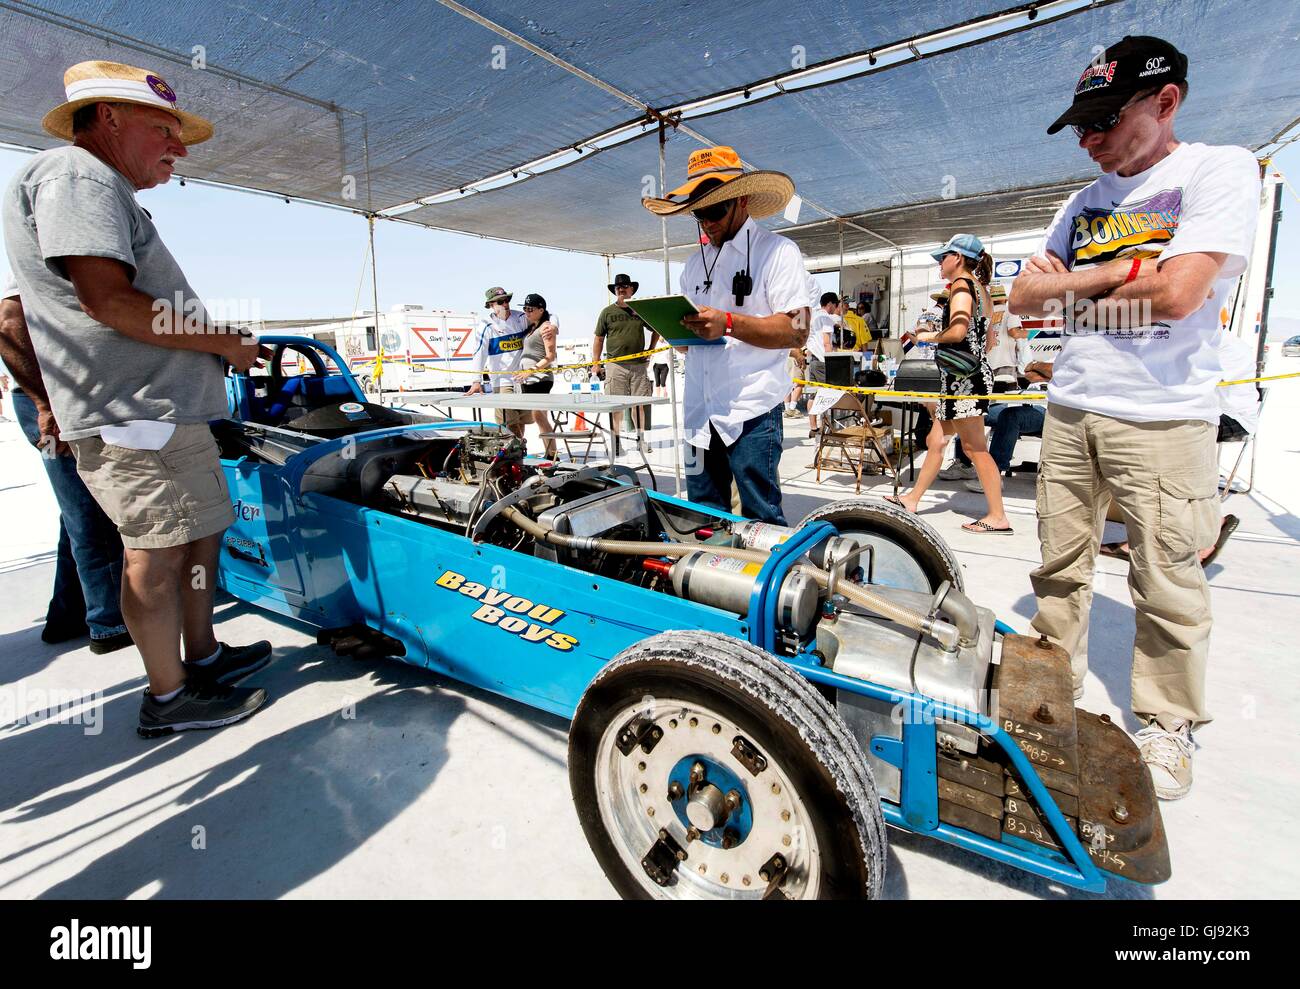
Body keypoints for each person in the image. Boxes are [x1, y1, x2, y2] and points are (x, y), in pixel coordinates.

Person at [1008, 36, 1262, 799]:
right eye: (1079, 127)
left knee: (1167, 579)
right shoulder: (1082, 201)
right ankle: (1049, 701)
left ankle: (1167, 723)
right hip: (1072, 407)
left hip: (1165, 415)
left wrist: (1073, 285)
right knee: (1059, 567)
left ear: (1165, 102)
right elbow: (1021, 302)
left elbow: (1181, 293)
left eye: (1103, 123)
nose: (1088, 141)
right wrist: (1124, 271)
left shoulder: (1216, 169)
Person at [2, 60, 273, 735]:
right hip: (134, 415)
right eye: (164, 130)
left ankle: (203, 655)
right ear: (109, 118)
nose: (178, 148)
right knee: (156, 549)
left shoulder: (99, 185)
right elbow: (108, 299)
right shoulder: (76, 175)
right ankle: (169, 696)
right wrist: (223, 341)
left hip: (165, 413)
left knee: (198, 532)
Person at [642, 145, 813, 524]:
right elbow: (693, 346)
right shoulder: (693, 264)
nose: (707, 221)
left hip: (751, 411)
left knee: (761, 522)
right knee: (701, 520)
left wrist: (729, 323)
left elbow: (798, 330)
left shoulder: (778, 252)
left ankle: (766, 584)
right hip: (699, 414)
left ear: (743, 201)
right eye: (699, 213)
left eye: (715, 210)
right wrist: (678, 329)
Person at [0, 279, 132, 651]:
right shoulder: (45, 242)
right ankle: (109, 623)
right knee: (91, 510)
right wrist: (45, 405)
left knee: (75, 510)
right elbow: (9, 323)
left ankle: (69, 612)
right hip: (52, 405)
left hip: (61, 401)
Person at [888, 234, 1011, 535]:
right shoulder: (981, 288)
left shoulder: (961, 286)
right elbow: (990, 339)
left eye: (943, 257)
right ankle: (912, 498)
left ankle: (997, 515)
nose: (940, 263)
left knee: (974, 447)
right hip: (965, 376)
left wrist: (928, 337)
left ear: (958, 257)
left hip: (964, 380)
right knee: (936, 440)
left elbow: (957, 331)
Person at [592, 273, 658, 432]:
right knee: (615, 406)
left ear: (632, 289)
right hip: (615, 366)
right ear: (615, 290)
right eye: (618, 287)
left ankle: (641, 440)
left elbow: (657, 328)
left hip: (638, 367)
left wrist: (651, 349)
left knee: (638, 406)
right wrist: (596, 364)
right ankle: (616, 441)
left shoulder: (640, 310)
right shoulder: (607, 312)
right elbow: (598, 339)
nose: (621, 289)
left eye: (624, 286)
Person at [466, 286, 529, 439]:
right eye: (500, 302)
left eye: (507, 300)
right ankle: (519, 451)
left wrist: (552, 325)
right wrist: (476, 381)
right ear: (491, 305)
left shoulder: (520, 317)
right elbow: (478, 353)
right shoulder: (486, 325)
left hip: (523, 380)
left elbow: (547, 315)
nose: (505, 304)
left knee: (521, 421)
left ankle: (519, 451)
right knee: (509, 422)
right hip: (502, 382)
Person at [515, 292, 559, 458]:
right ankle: (550, 452)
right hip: (529, 379)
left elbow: (550, 355)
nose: (527, 312)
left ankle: (552, 454)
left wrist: (531, 370)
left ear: (541, 310)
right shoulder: (532, 327)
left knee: (539, 416)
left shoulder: (546, 327)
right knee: (540, 417)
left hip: (540, 379)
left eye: (530, 309)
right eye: (525, 309)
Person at [803, 291, 838, 437]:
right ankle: (827, 426)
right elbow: (826, 342)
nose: (835, 309)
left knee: (813, 395)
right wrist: (833, 362)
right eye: (835, 306)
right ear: (830, 304)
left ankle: (814, 428)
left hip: (813, 361)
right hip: (823, 361)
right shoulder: (826, 318)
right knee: (829, 394)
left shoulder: (812, 316)